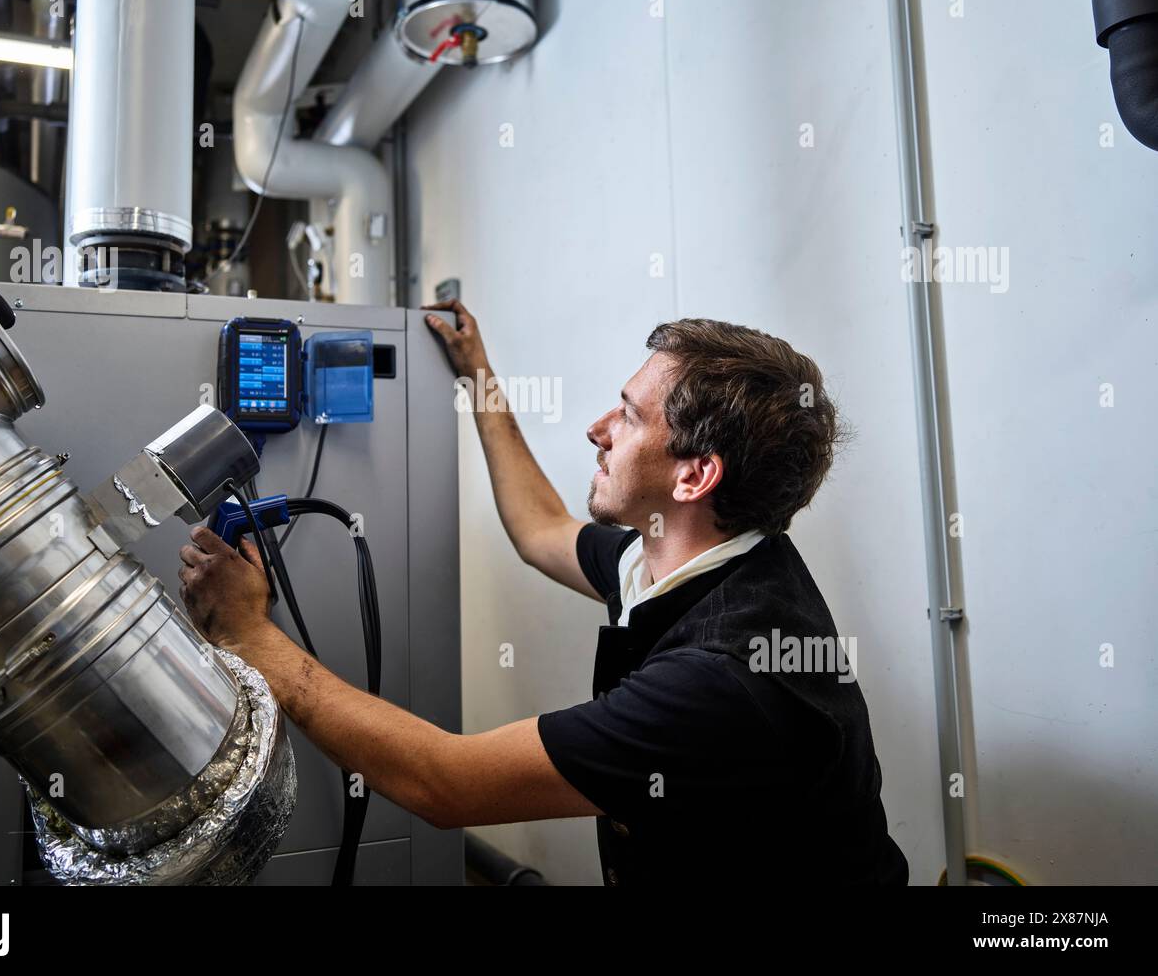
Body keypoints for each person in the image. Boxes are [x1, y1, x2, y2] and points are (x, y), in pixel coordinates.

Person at [179, 302, 908, 886]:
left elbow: (448, 783)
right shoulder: (689, 553)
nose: (597, 429)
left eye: (627, 416)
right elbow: (539, 529)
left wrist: (251, 638)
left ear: (693, 478)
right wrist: (479, 377)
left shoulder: (724, 680)